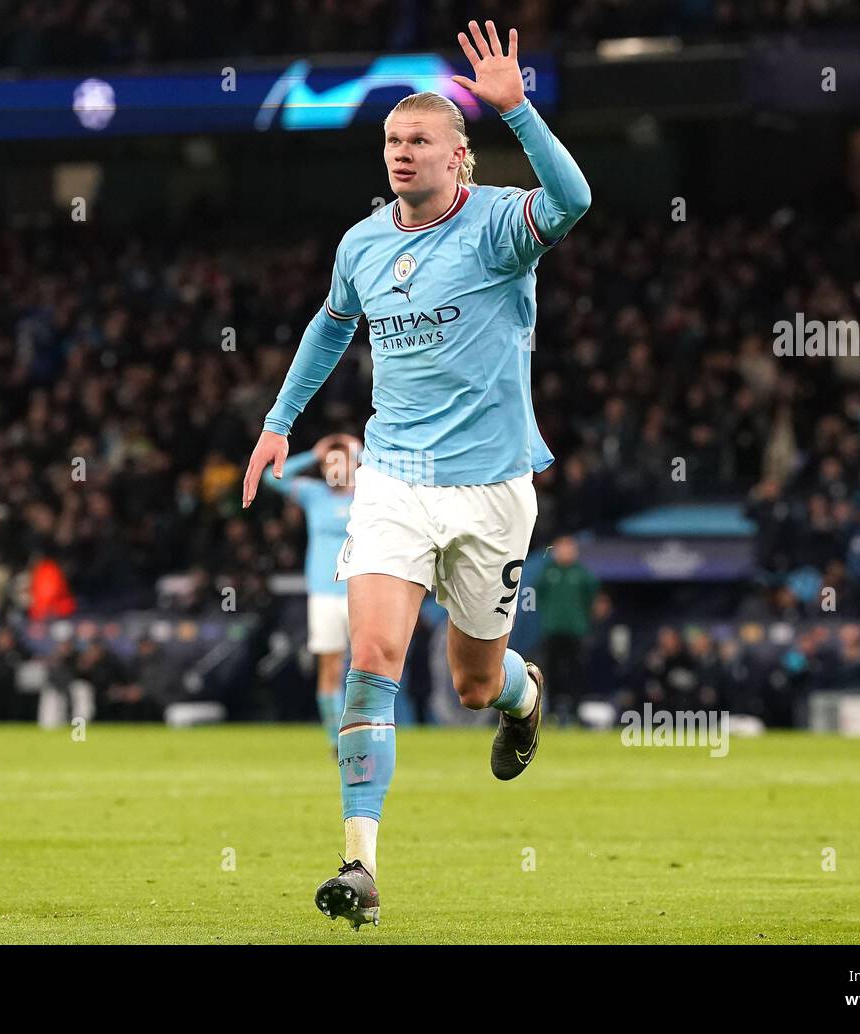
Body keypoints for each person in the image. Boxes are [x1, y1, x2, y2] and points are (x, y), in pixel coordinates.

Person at [242, 19, 590, 929]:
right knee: (371, 660)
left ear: (459, 155)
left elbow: (576, 198)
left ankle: (523, 694)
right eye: (394, 141)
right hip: (393, 476)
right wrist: (279, 424)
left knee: (474, 684)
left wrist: (522, 112)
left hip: (491, 487)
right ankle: (359, 864)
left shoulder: (501, 227)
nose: (402, 153)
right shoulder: (361, 243)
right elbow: (330, 325)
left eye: (420, 140)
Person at [260, 433, 360, 752]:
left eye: (339, 460)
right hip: (324, 593)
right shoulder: (314, 494)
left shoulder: (369, 495)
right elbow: (270, 477)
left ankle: (363, 732)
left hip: (360, 591)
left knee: (365, 668)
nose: (333, 467)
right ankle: (336, 739)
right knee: (330, 667)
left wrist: (356, 451)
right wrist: (312, 453)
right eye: (328, 462)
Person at [535, 535, 600, 723]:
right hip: (553, 630)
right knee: (551, 672)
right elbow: (540, 597)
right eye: (561, 548)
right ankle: (552, 712)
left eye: (568, 548)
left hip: (575, 630)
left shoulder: (581, 573)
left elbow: (592, 598)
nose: (565, 552)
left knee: (576, 672)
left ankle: (575, 712)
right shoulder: (548, 573)